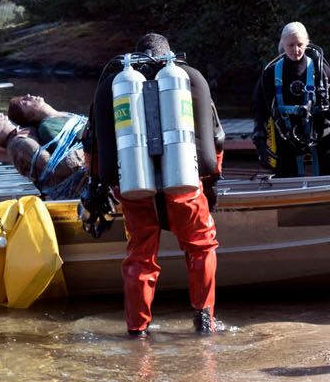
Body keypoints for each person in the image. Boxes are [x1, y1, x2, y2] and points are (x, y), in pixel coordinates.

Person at [79, 33, 223, 337]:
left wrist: (95, 186)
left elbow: (92, 142)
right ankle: (204, 318)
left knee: (140, 258)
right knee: (201, 247)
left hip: (135, 184)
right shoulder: (187, 77)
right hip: (184, 182)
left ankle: (137, 331)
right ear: (168, 54)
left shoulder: (117, 83)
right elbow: (216, 139)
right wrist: (210, 184)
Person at [250, 22, 330, 176]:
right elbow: (260, 110)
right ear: (282, 44)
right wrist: (260, 142)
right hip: (286, 138)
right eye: (290, 45)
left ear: (307, 43)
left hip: (321, 134)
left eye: (300, 44)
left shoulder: (321, 71)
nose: (296, 50)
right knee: (284, 176)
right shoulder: (270, 75)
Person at [0, 94, 89, 198]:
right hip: (75, 189)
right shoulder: (20, 145)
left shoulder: (19, 137)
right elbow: (55, 170)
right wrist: (89, 146)